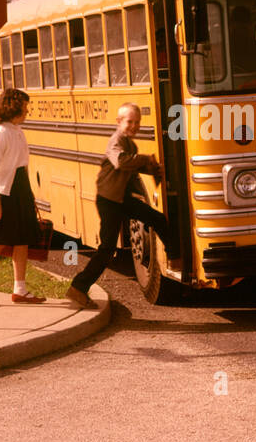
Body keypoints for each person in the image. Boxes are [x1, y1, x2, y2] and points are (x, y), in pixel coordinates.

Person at [65, 103, 175, 308]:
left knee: (156, 218)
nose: (134, 126)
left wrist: (155, 170)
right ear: (119, 122)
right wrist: (145, 160)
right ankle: (78, 287)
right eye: (129, 121)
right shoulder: (116, 141)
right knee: (106, 249)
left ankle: (175, 255)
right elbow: (121, 163)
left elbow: (134, 167)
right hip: (109, 201)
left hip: (121, 198)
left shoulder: (129, 144)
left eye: (137, 122)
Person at [0, 89, 46, 306]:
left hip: (20, 189)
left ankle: (19, 290)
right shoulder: (0, 132)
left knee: (21, 242)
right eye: (24, 106)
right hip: (3, 193)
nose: (27, 111)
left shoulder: (17, 130)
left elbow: (20, 165)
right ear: (13, 106)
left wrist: (28, 194)